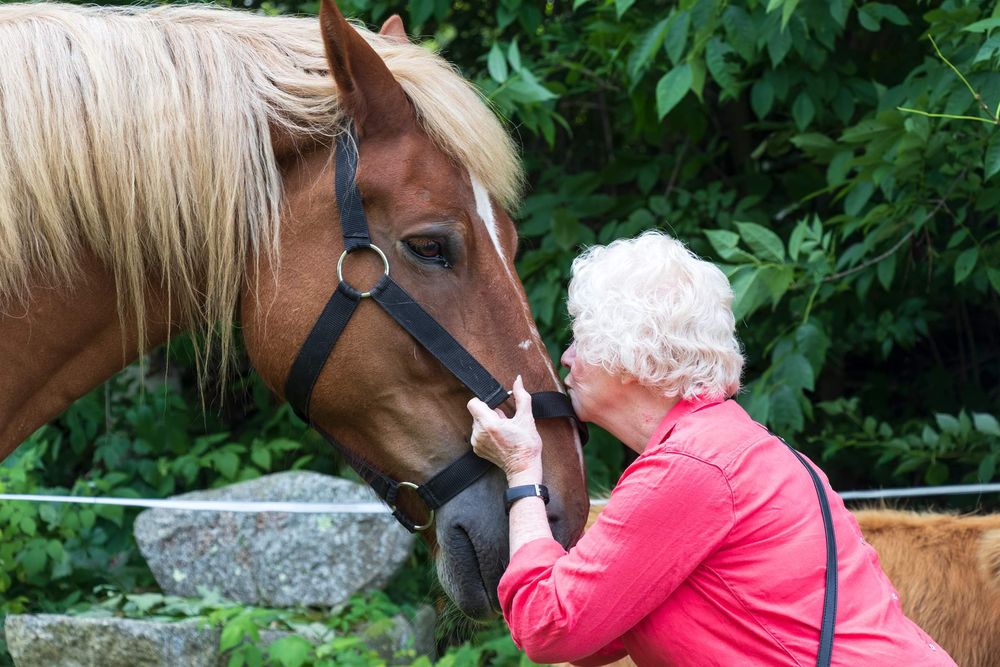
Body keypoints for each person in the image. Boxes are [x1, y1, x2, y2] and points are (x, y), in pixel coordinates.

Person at [466, 231, 956, 667]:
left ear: (631, 357)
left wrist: (522, 469)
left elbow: (550, 629)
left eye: (580, 337)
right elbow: (597, 637)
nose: (567, 357)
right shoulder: (733, 450)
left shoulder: (690, 469)